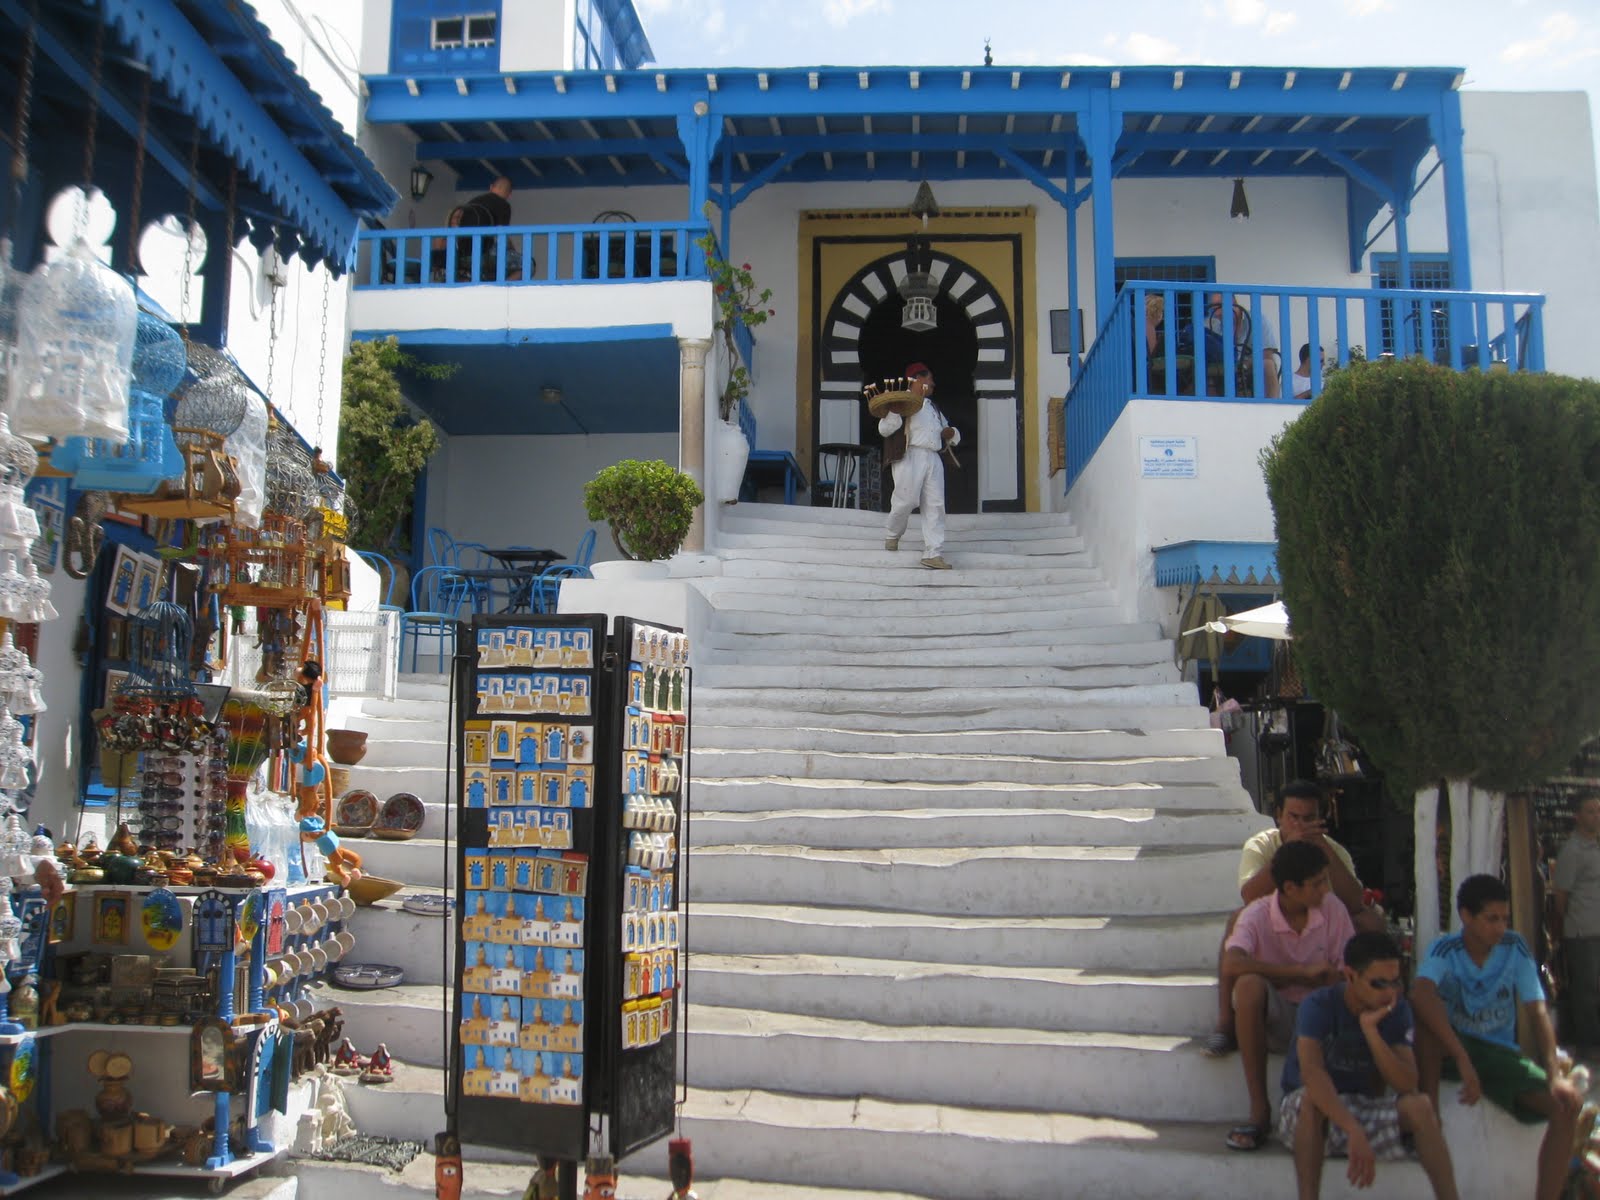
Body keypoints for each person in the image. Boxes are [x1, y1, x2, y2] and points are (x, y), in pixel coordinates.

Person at [1411, 874, 1583, 1200]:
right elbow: (1420, 995)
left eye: (1504, 918)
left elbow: (1538, 1011)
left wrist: (1554, 1075)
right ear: (1466, 916)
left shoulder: (1513, 946)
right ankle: (1429, 1121)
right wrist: (1463, 1060)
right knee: (1425, 1027)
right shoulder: (1446, 948)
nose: (1500, 927)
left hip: (1499, 1054)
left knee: (1565, 1106)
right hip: (1453, 1049)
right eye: (1491, 919)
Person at [1205, 780, 1383, 1057]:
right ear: (1279, 816)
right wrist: (1290, 851)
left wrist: (1320, 846)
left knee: (1371, 922)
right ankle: (1226, 1025)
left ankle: (1384, 1011)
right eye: (1293, 818)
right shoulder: (1261, 845)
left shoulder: (1335, 851)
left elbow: (1354, 901)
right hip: (1274, 939)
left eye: (1309, 818)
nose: (1300, 825)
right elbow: (1250, 896)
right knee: (1237, 918)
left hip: (1321, 937)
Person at [1279, 930, 1459, 1199]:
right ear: (1351, 976)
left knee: (1420, 1106)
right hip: (1306, 1112)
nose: (1389, 993)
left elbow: (1407, 1082)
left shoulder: (1396, 1010)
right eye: (1379, 984)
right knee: (1312, 1100)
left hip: (1360, 1106)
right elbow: (1313, 1075)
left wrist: (1372, 1033)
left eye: (1395, 983)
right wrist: (1351, 1128)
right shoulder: (1319, 1005)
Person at [1222, 839, 1357, 1151]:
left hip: (1323, 1019)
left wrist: (1327, 978)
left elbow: (1349, 970)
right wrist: (1300, 972)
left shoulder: (1333, 909)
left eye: (1326, 880)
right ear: (1290, 888)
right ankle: (1259, 1110)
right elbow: (1232, 963)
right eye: (1317, 883)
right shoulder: (1257, 915)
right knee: (1248, 986)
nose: (1326, 888)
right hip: (1278, 1020)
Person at [878, 362, 959, 570]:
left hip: (933, 458)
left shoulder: (933, 407)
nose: (933, 383)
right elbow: (885, 429)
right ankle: (892, 534)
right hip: (910, 455)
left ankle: (933, 552)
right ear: (918, 379)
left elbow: (949, 430)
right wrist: (895, 412)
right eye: (929, 378)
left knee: (936, 505)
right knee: (906, 500)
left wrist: (952, 433)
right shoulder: (901, 400)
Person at [1554, 794, 1600, 1059]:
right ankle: (1587, 1045)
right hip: (1582, 930)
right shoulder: (1572, 851)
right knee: (1586, 990)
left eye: (1598, 810)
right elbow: (1562, 896)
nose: (1596, 816)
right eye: (1590, 811)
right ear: (1578, 816)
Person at [1206, 292, 1281, 398]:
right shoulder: (1214, 324)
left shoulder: (1257, 319)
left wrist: (1245, 364)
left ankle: (1272, 406)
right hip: (1224, 368)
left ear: (1233, 303)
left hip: (1251, 367)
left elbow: (1266, 354)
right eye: (1214, 307)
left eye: (1219, 306)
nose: (1216, 312)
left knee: (1268, 364)